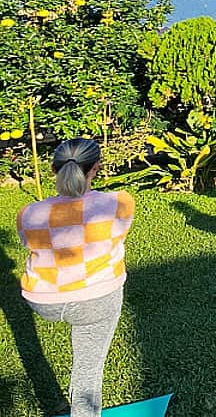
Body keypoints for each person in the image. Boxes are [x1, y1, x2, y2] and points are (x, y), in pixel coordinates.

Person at [17, 139, 134, 417]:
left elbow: (28, 242)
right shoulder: (119, 203)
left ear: (53, 169)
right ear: (96, 167)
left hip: (43, 302)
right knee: (88, 369)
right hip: (95, 301)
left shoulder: (28, 213)